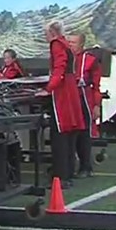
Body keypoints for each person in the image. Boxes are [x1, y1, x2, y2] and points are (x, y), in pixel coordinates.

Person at [36, 21, 87, 188]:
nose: (45, 36)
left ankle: (61, 176)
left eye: (46, 32)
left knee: (60, 134)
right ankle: (67, 174)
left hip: (63, 92)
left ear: (52, 32)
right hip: (70, 89)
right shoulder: (65, 43)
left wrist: (48, 89)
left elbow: (59, 69)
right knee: (69, 134)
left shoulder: (56, 45)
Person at [69, 33, 102, 178]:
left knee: (84, 134)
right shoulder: (64, 59)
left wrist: (96, 105)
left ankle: (85, 166)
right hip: (68, 101)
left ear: (81, 45)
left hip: (84, 100)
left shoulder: (90, 60)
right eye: (68, 41)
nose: (70, 44)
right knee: (68, 134)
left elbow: (96, 85)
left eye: (73, 42)